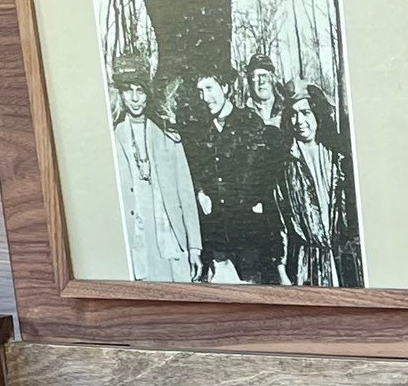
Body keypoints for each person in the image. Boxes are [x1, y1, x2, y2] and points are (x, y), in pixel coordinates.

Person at [107, 61, 198, 282]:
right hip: (136, 243)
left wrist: (195, 246)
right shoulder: (112, 136)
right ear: (120, 93)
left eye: (140, 91)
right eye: (129, 91)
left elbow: (186, 193)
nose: (135, 98)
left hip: (170, 241)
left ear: (148, 94)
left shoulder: (168, 135)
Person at [210, 60, 291, 283]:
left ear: (273, 77)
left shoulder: (288, 112)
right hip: (258, 204)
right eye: (254, 77)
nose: (260, 81)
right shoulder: (243, 118)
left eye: (264, 75)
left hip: (289, 191)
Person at [276, 88, 359, 287]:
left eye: (305, 113)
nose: (299, 121)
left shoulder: (337, 159)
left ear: (317, 114)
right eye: (293, 115)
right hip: (303, 263)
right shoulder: (285, 164)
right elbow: (279, 220)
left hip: (341, 260)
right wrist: (280, 268)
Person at [173, 70, 236, 280]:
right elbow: (195, 171)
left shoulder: (248, 123)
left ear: (225, 87)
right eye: (200, 91)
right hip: (215, 239)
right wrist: (200, 190)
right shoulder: (199, 131)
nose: (205, 98)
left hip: (246, 238)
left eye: (209, 89)